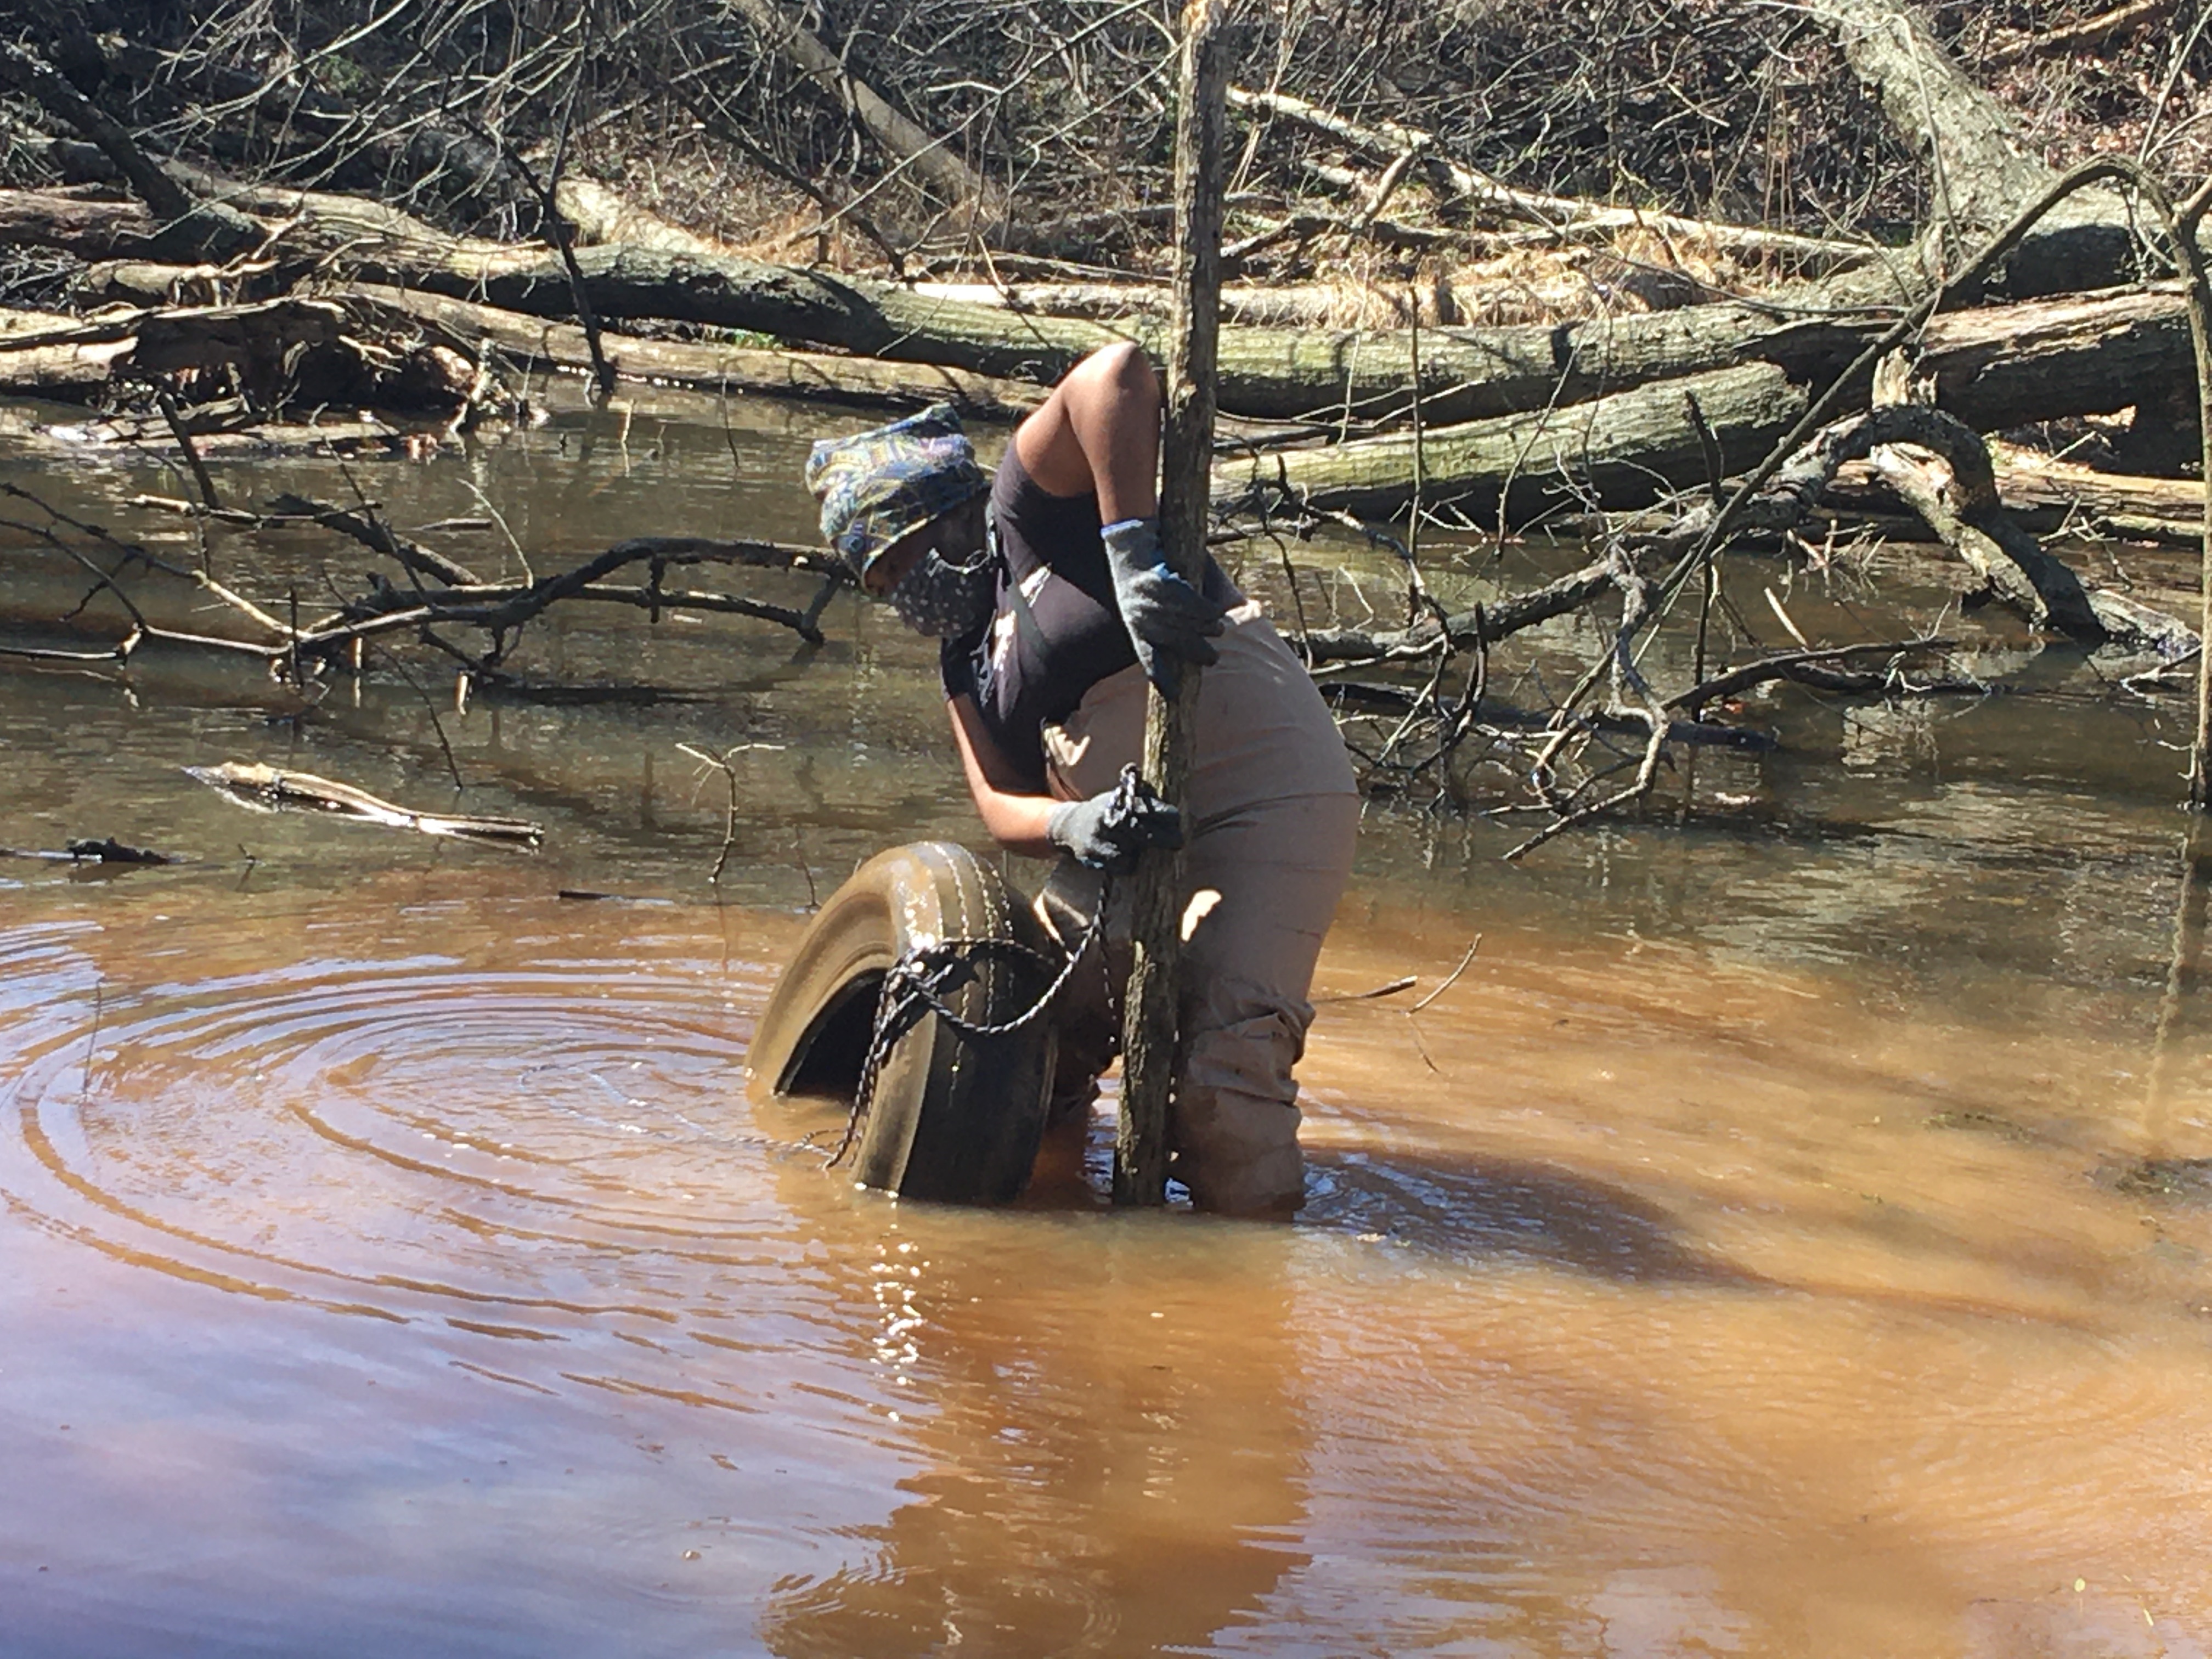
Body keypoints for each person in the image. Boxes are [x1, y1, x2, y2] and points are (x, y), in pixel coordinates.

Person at [805, 343, 1357, 1214]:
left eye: (903, 562)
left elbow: (1120, 374)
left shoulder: (1028, 510)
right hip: (1122, 838)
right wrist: (1074, 825)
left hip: (1265, 788)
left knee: (1226, 1089)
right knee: (1020, 1036)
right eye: (882, 586)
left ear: (946, 513)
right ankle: (1058, 1235)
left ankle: (1246, 1294)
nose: (905, 595)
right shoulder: (962, 662)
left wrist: (1130, 550)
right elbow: (997, 805)